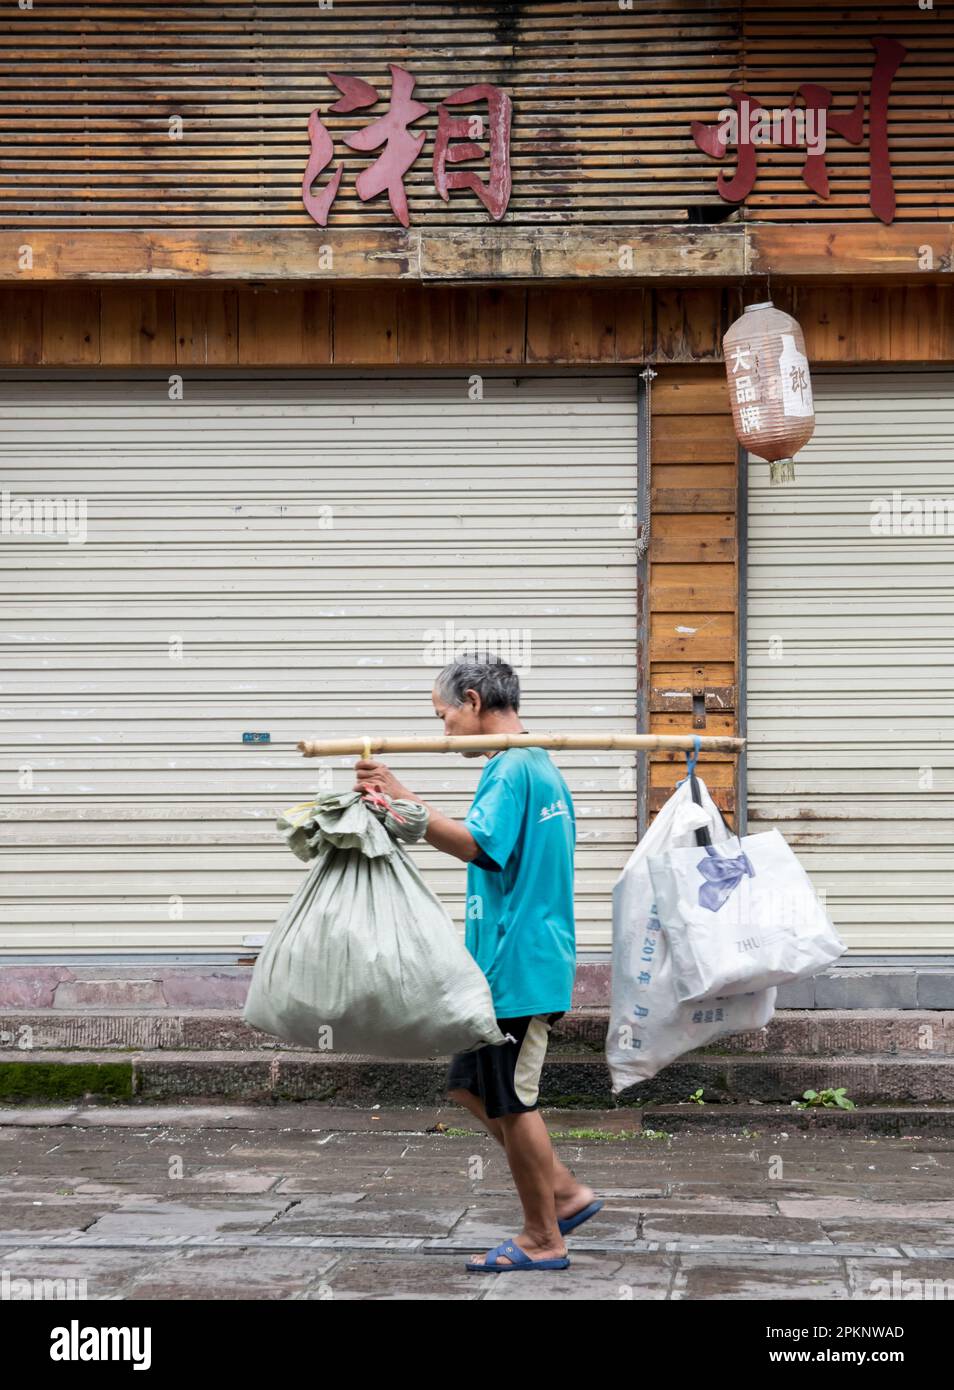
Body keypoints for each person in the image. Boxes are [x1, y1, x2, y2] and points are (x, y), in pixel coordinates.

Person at [353, 655, 602, 1273]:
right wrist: (399, 793)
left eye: (444, 719)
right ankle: (565, 1193)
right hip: (502, 964)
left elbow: (475, 844)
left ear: (471, 700)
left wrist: (399, 812)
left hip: (519, 967)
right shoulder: (534, 761)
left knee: (513, 1103)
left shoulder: (510, 766)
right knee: (471, 1088)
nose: (443, 734)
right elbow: (487, 839)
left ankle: (543, 1238)